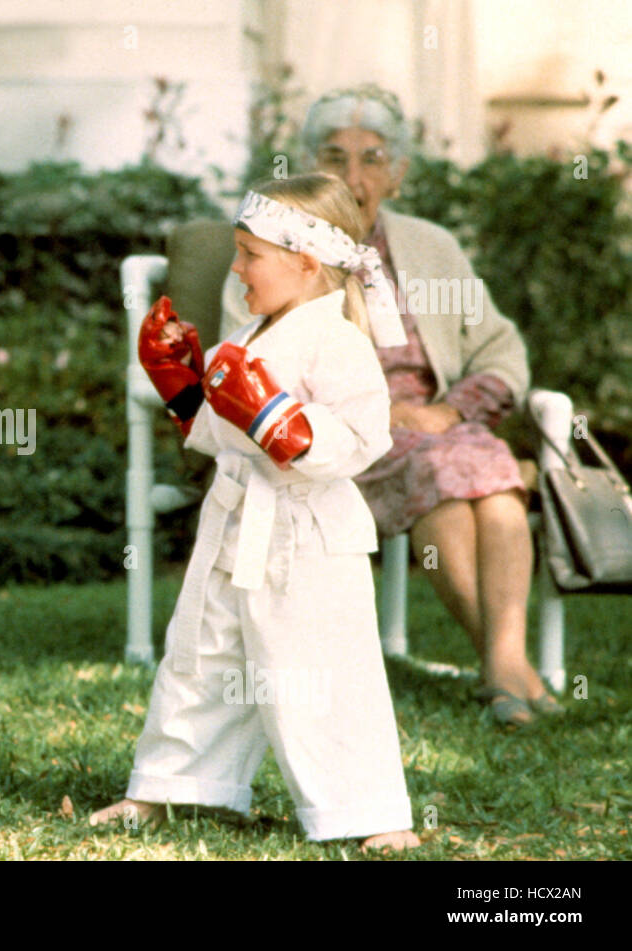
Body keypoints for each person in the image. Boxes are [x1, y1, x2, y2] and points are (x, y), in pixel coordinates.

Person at [92, 173, 419, 852]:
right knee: (200, 655)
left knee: (323, 670)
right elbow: (221, 433)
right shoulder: (252, 331)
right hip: (234, 524)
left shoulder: (339, 342)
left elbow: (364, 436)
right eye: (237, 251)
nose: (235, 267)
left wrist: (283, 422)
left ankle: (375, 812)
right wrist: (185, 391)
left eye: (249, 254)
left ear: (305, 262)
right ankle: (164, 785)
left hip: (308, 538)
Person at [220, 85, 558, 727]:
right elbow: (246, 366)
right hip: (336, 438)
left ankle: (503, 664)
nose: (354, 176)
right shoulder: (270, 247)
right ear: (306, 168)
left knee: (483, 478)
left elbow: (500, 348)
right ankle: (510, 670)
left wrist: (449, 412)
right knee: (448, 475)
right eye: (334, 156)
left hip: (437, 426)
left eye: (373, 158)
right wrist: (360, 409)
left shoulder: (430, 247)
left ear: (398, 174)